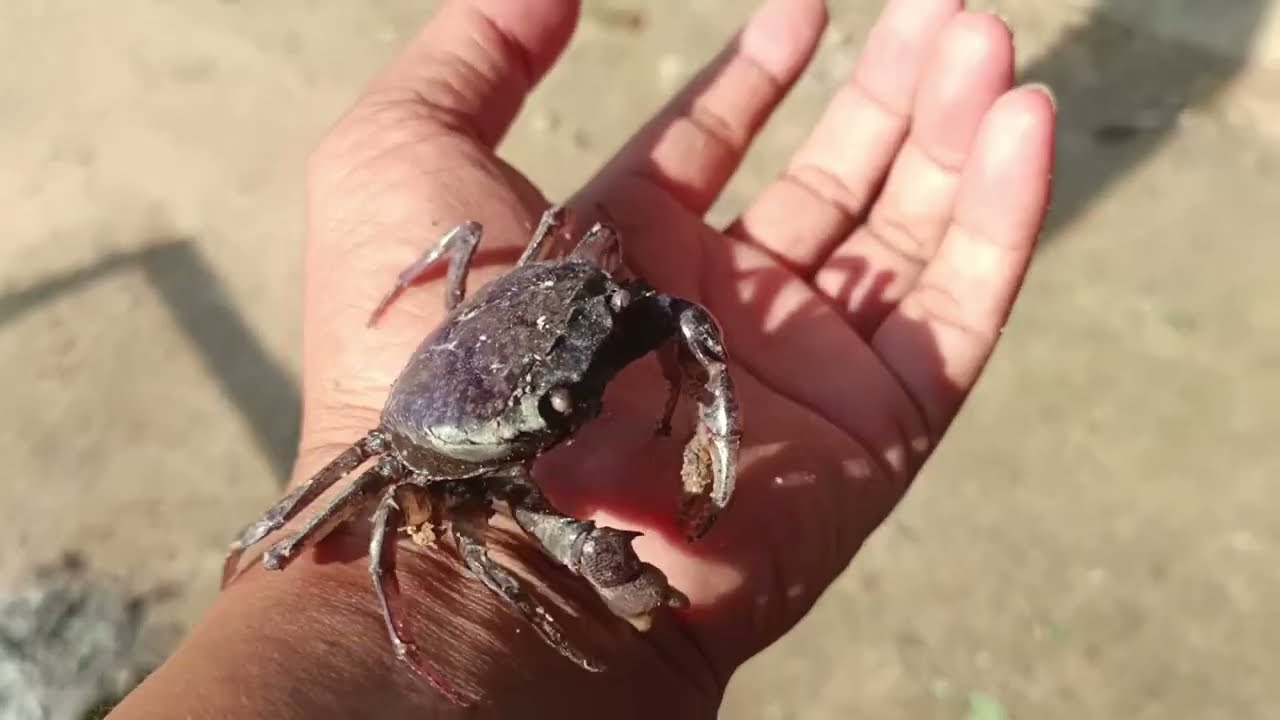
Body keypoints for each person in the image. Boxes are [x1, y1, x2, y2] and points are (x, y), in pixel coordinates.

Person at [107, 0, 1054, 717]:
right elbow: (299, 553)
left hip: (529, 308)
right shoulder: (410, 470)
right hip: (427, 441)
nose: (587, 402)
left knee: (651, 312)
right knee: (321, 543)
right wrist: (438, 634)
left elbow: (627, 297)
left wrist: (673, 381)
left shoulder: (571, 278)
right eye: (565, 410)